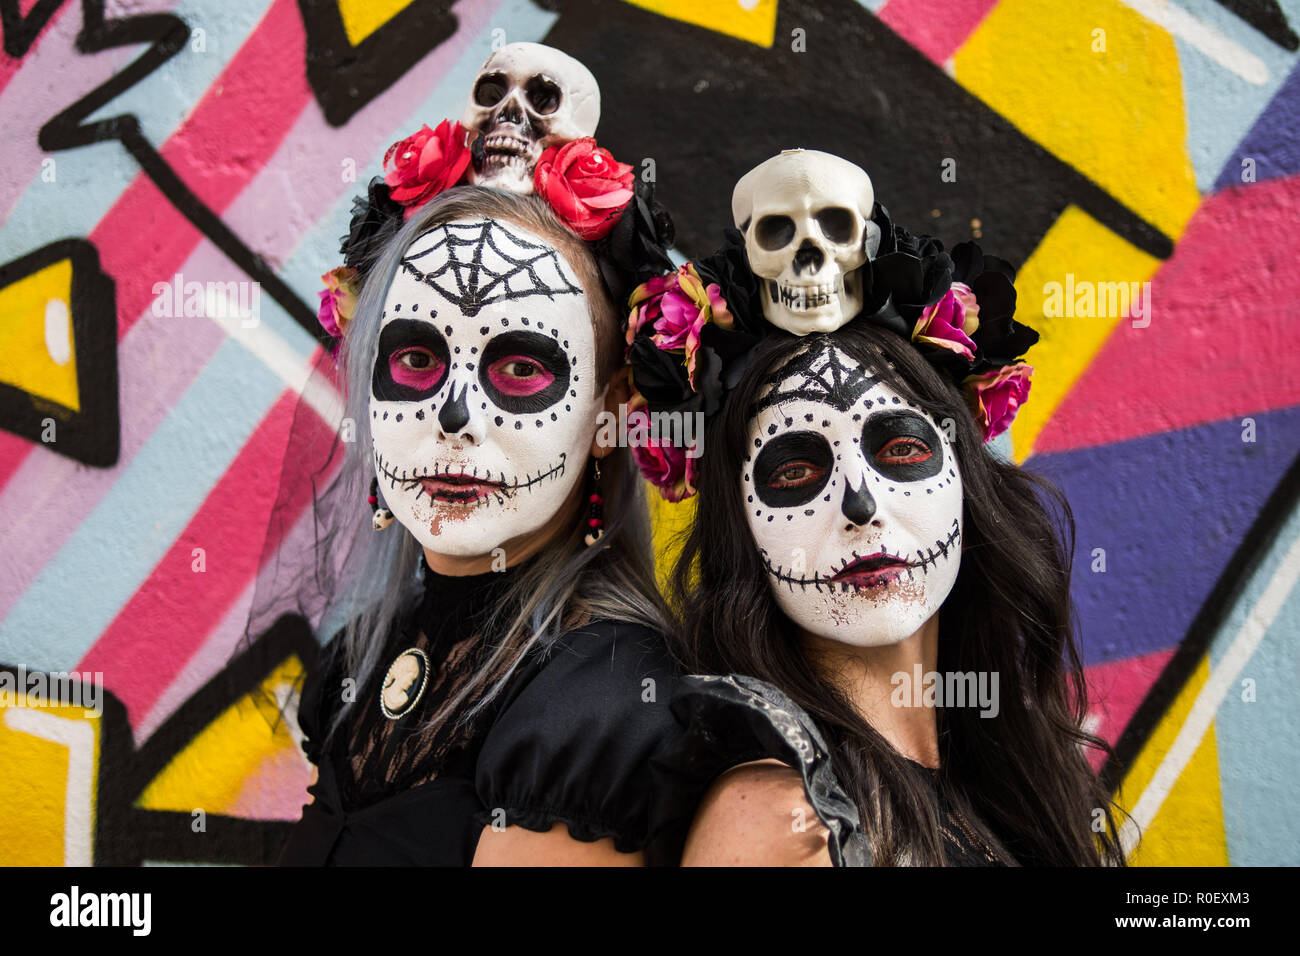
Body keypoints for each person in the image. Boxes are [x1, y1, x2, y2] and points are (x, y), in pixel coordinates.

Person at [625, 149, 1128, 866]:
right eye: (794, 470)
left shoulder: (1013, 775)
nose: (860, 503)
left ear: (964, 479)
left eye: (901, 450)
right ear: (742, 526)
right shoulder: (786, 825)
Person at [247, 45, 685, 866]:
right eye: (416, 358)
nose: (454, 416)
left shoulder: (598, 710)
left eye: (520, 369)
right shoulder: (358, 663)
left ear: (611, 410)